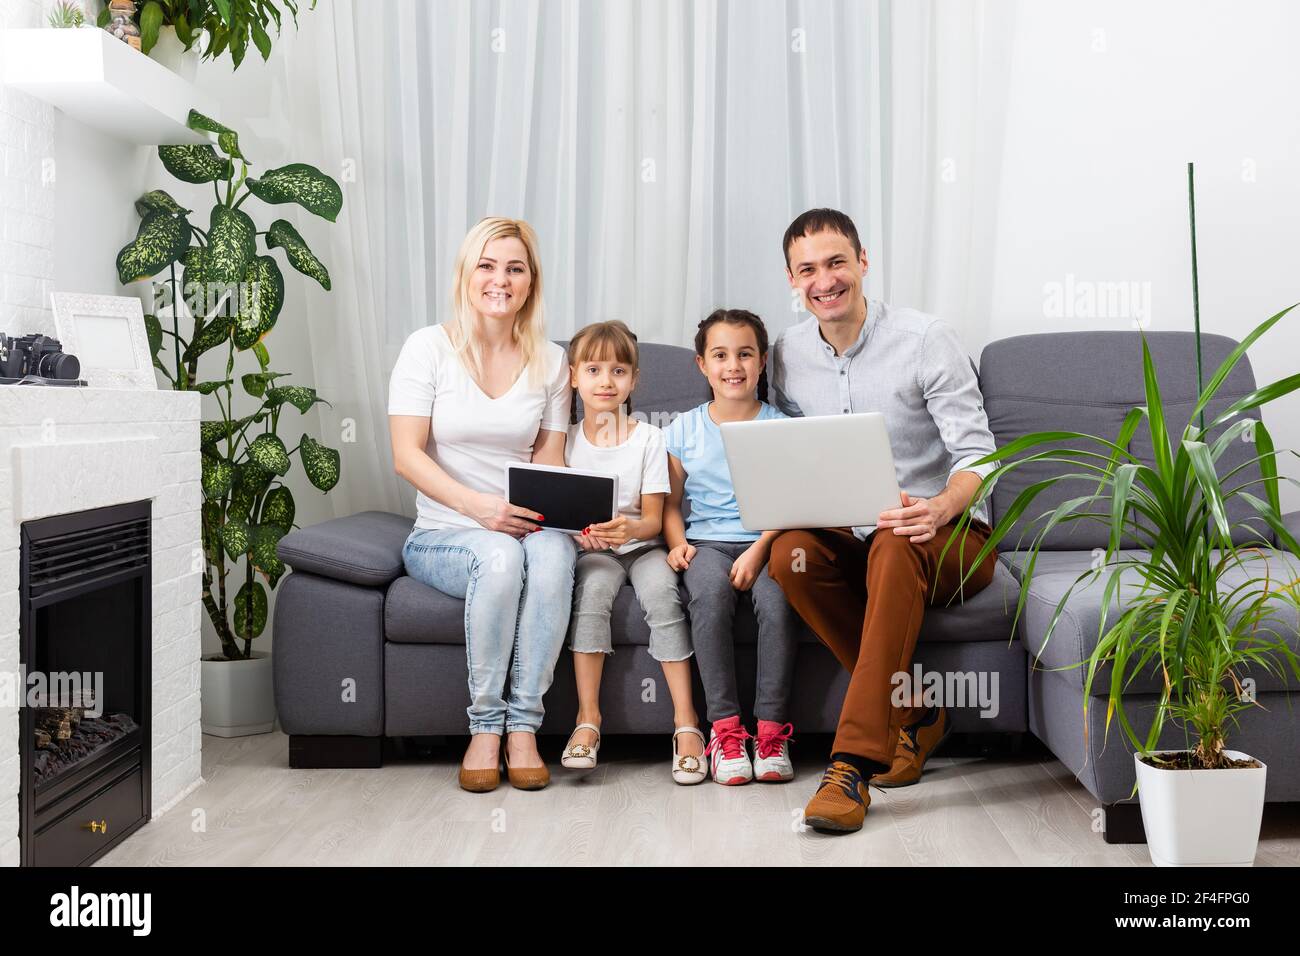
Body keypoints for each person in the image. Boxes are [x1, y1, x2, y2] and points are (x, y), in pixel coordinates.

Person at [767, 208, 1000, 832]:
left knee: (896, 539)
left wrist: (941, 505)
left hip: (950, 536)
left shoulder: (926, 340)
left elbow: (979, 456)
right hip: (854, 535)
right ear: (792, 280)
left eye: (837, 261)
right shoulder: (785, 354)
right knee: (789, 551)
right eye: (807, 269)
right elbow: (793, 452)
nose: (825, 280)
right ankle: (918, 712)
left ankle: (850, 768)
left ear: (863, 262)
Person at [388, 216, 575, 794]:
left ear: (530, 282)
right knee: (498, 556)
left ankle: (525, 727)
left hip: (524, 525)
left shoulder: (551, 360)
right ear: (467, 276)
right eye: (487, 266)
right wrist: (479, 509)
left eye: (514, 268)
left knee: (554, 555)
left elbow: (550, 461)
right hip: (447, 533)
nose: (501, 279)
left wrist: (571, 518)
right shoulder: (428, 348)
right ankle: (486, 728)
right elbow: (406, 455)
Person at [559, 321, 707, 784]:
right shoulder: (563, 441)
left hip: (643, 546)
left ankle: (687, 726)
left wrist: (627, 530)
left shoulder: (649, 438)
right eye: (595, 369)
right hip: (594, 552)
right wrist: (581, 535)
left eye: (619, 371)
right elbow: (556, 513)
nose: (606, 381)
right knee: (592, 596)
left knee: (663, 596)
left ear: (634, 380)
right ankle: (588, 720)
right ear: (573, 377)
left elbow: (653, 517)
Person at [664, 309, 803, 786]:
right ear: (703, 365)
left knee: (777, 599)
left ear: (761, 362)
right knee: (707, 598)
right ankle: (724, 733)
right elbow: (669, 502)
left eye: (744, 354)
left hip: (769, 540)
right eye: (720, 355)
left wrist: (759, 550)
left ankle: (770, 733)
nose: (733, 366)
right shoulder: (682, 430)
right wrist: (678, 543)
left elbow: (790, 501)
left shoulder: (781, 425)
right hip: (706, 543)